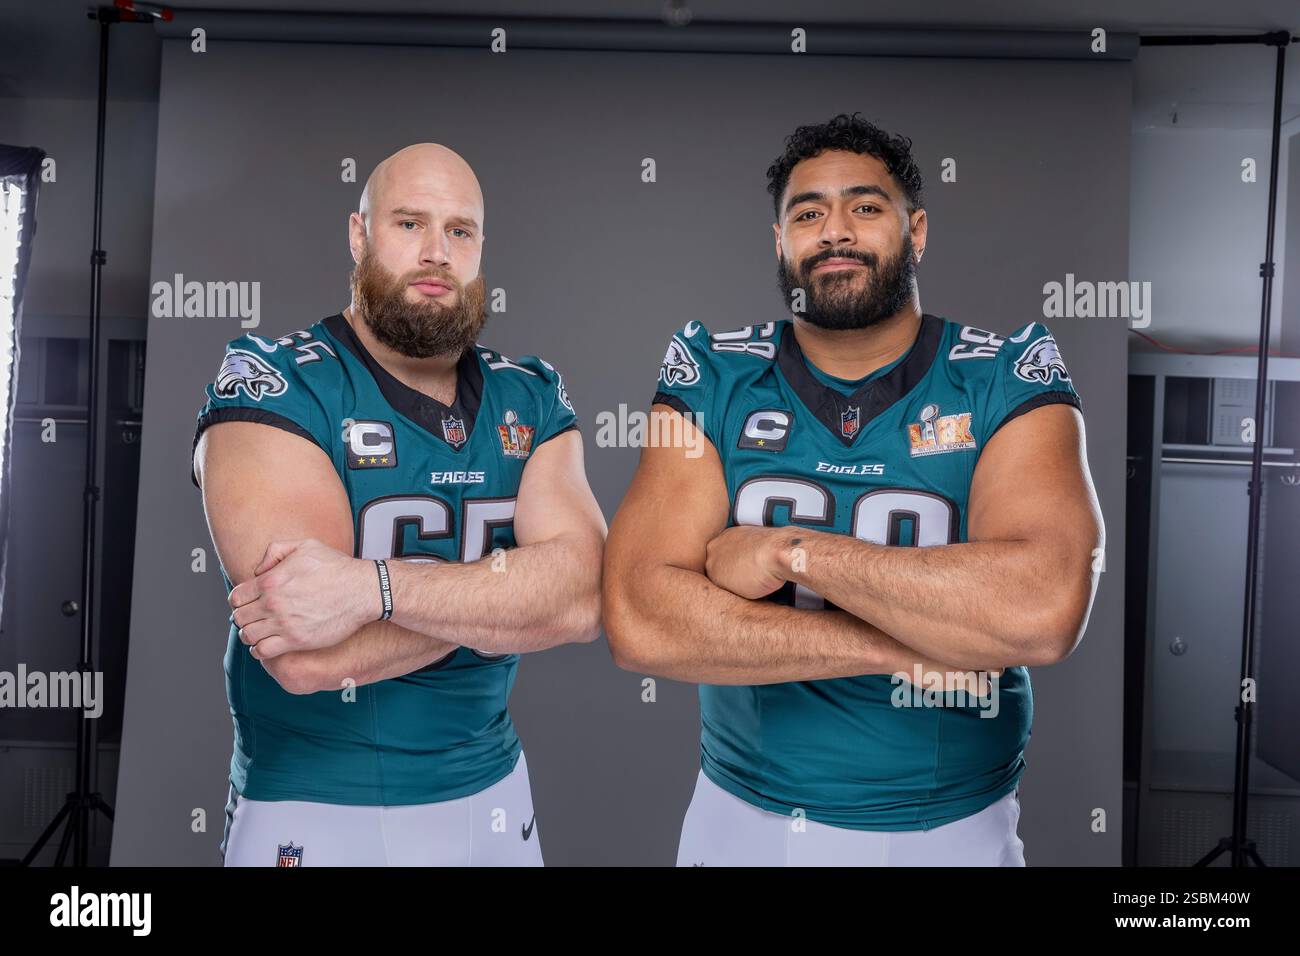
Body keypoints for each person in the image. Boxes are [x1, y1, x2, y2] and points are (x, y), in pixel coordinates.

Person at [603, 113, 1103, 866]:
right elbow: (640, 616)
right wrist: (902, 649)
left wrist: (794, 552)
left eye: (865, 208)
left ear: (917, 230)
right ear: (780, 242)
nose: (835, 232)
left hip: (949, 831)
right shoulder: (713, 373)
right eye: (808, 214)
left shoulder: (1002, 374)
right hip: (743, 819)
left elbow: (1043, 608)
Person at [192, 143, 606, 866]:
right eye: (409, 224)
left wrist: (370, 588)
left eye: (460, 230)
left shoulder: (529, 393)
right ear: (359, 234)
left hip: (494, 797)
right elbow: (307, 655)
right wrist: (513, 596)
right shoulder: (273, 381)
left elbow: (585, 596)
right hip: (316, 806)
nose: (437, 253)